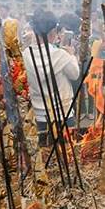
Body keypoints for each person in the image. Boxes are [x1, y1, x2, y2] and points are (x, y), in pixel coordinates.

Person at [22, 10, 79, 146]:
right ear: (53, 32)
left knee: (44, 157)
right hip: (62, 115)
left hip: (38, 115)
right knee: (67, 156)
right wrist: (71, 55)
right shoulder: (61, 55)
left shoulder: (25, 54)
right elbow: (75, 74)